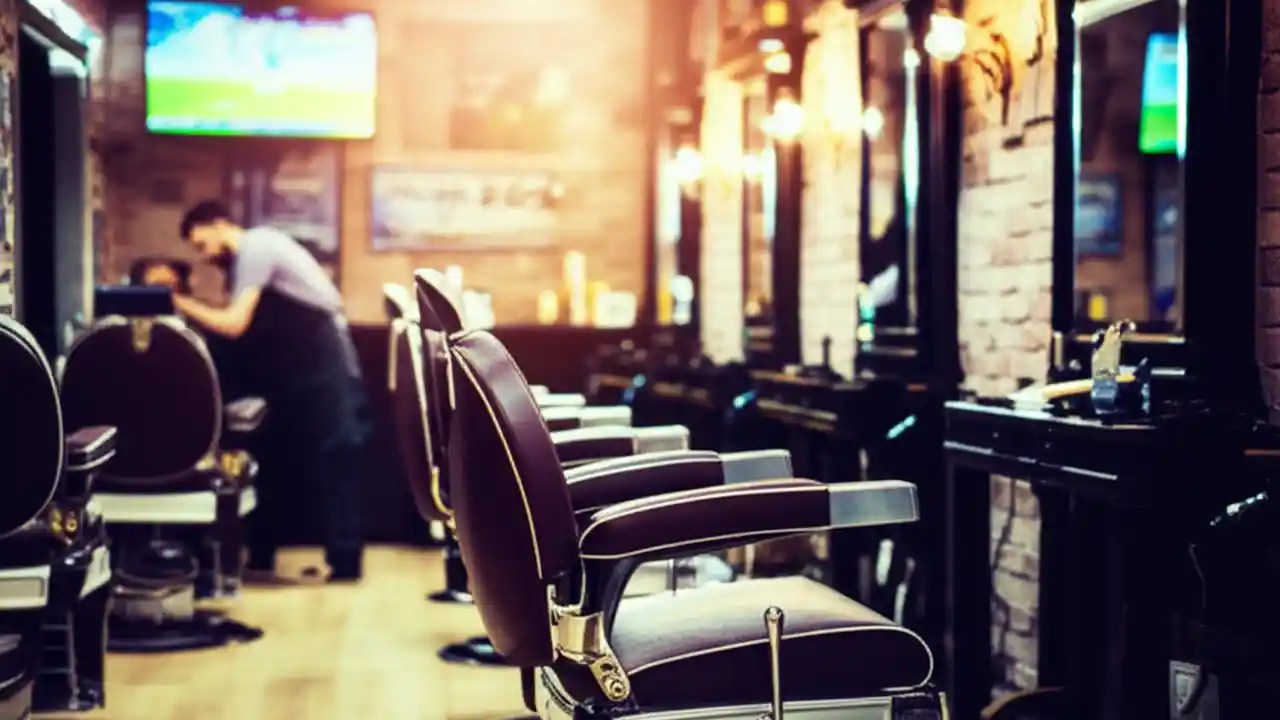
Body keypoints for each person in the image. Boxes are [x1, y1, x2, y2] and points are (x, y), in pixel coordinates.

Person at [173, 200, 367, 582]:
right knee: (275, 460)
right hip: (295, 369)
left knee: (335, 458)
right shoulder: (251, 256)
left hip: (322, 365)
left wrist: (176, 302)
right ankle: (261, 554)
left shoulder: (257, 248)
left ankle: (345, 563)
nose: (205, 255)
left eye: (202, 244)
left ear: (218, 224)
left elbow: (233, 323)